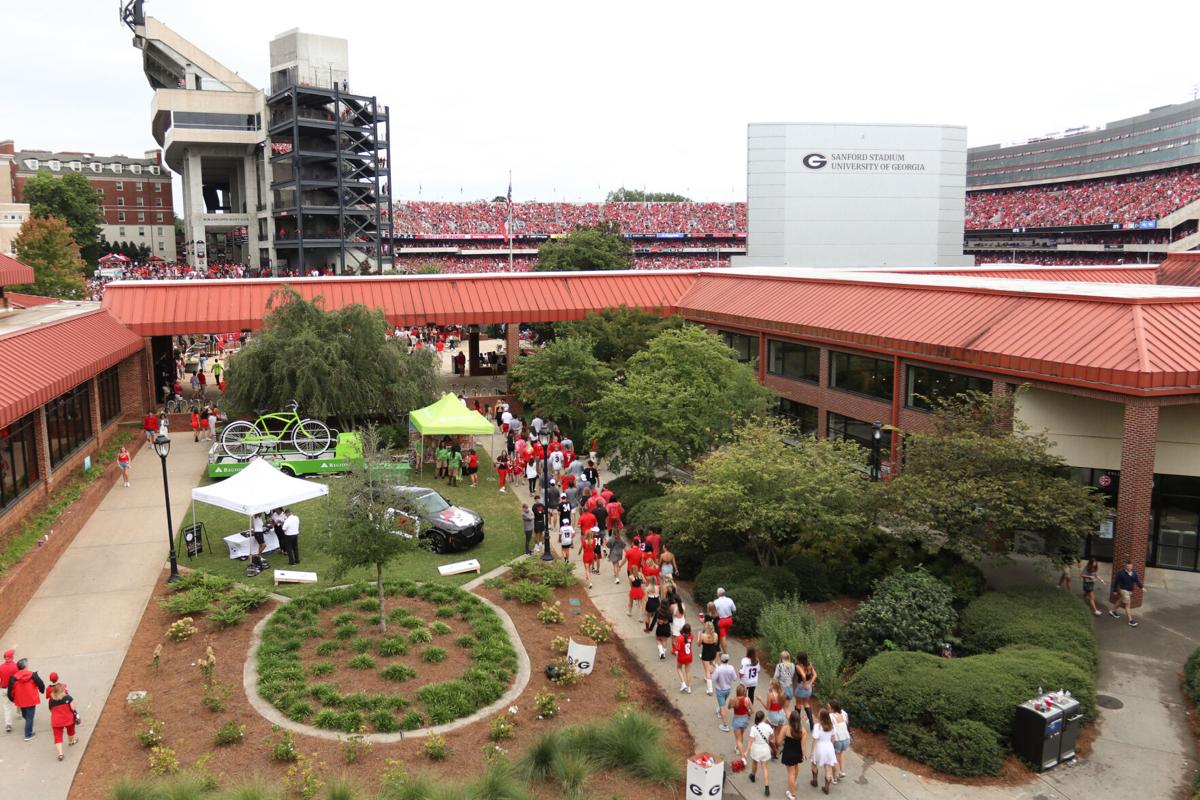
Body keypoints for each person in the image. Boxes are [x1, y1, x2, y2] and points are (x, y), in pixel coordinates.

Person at [6, 658, 45, 740]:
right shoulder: (33, 675)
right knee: (30, 717)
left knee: (25, 715)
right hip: (31, 699)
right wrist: (42, 690)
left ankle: (28, 723)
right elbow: (40, 684)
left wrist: (12, 699)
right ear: (25, 666)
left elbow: (9, 690)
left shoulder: (13, 678)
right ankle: (28, 734)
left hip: (21, 700)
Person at [47, 678, 77, 761]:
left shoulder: (51, 700)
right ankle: (71, 742)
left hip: (56, 721)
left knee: (58, 737)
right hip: (68, 719)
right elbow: (73, 708)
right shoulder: (67, 698)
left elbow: (50, 710)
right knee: (70, 731)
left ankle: (60, 754)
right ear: (62, 691)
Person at [780, 709, 808, 800]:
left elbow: (778, 741)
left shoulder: (786, 728)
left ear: (790, 719)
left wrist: (782, 742)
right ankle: (794, 783)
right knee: (796, 768)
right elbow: (803, 746)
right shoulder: (803, 731)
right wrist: (803, 755)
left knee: (790, 773)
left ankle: (792, 794)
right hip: (797, 753)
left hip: (788, 753)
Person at [810, 709, 838, 794]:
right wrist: (831, 747)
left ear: (821, 717)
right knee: (828, 768)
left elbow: (815, 740)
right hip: (829, 747)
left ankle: (815, 781)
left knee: (813, 763)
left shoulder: (817, 726)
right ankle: (826, 788)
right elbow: (833, 739)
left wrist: (812, 752)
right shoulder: (831, 726)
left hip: (819, 747)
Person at [1110, 560, 1144, 627]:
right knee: (1127, 605)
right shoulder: (1121, 573)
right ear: (1125, 566)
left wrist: (1142, 587)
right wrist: (1114, 590)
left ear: (1132, 566)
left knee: (1120, 601)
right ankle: (1130, 621)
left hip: (1130, 591)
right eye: (1128, 566)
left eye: (1131, 566)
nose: (1129, 567)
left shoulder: (1134, 573)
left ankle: (1112, 611)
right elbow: (1116, 582)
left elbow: (1137, 581)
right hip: (1123, 590)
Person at [747, 709, 773, 795]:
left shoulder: (754, 728)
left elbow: (750, 740)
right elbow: (772, 737)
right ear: (763, 718)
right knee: (765, 768)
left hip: (756, 748)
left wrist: (746, 750)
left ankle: (753, 776)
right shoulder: (768, 727)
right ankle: (767, 787)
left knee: (755, 763)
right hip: (765, 748)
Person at [713, 652, 737, 732]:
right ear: (728, 660)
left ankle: (725, 725)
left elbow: (714, 678)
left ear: (721, 659)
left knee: (722, 706)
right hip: (728, 689)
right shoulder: (731, 668)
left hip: (720, 690)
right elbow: (735, 678)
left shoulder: (718, 669)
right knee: (722, 703)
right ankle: (719, 711)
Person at [828, 701, 851, 783]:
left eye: (829, 707)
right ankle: (842, 771)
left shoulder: (830, 716)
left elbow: (829, 728)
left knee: (835, 758)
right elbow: (847, 723)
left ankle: (835, 777)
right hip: (846, 738)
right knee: (841, 754)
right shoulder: (844, 713)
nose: (828, 708)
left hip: (838, 740)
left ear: (832, 708)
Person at [728, 684, 753, 756]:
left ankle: (742, 754)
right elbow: (753, 710)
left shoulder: (734, 699)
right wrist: (748, 713)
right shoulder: (747, 699)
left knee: (738, 739)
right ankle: (738, 749)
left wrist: (731, 702)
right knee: (741, 734)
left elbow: (729, 707)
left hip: (737, 719)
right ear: (744, 692)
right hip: (745, 719)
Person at [795, 652, 817, 728]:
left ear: (799, 659)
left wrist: (804, 684)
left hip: (802, 685)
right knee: (806, 704)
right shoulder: (809, 665)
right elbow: (815, 675)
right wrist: (809, 684)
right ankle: (811, 723)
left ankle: (796, 723)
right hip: (808, 687)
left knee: (798, 704)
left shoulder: (798, 666)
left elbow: (803, 676)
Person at [699, 621, 720, 695]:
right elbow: (716, 643)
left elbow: (699, 644)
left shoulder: (703, 635)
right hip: (713, 653)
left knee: (707, 670)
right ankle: (709, 677)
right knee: (710, 667)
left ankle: (710, 689)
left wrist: (699, 637)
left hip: (705, 653)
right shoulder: (716, 635)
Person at [713, 588, 737, 653]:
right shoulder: (730, 600)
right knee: (724, 636)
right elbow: (734, 610)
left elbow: (713, 613)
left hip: (721, 621)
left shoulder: (716, 602)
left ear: (718, 594)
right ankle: (723, 650)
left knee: (722, 637)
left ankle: (725, 653)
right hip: (729, 620)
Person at [0, 649, 18, 733]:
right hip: (14, 688)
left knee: (7, 707)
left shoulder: (1, 667)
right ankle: (19, 712)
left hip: (4, 689)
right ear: (11, 657)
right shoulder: (15, 666)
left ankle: (8, 725)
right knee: (18, 700)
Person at [674, 622, 694, 693]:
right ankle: (689, 688)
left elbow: (677, 649)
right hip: (689, 656)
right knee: (688, 671)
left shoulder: (680, 638)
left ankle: (683, 683)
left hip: (682, 656)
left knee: (679, 668)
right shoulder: (691, 636)